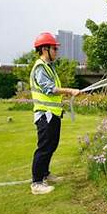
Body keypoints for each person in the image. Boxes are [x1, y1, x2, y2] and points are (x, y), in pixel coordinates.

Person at [29, 32, 80, 195]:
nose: (56, 52)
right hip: (45, 115)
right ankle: (37, 183)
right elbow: (49, 89)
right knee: (44, 147)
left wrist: (66, 93)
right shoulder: (40, 68)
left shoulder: (49, 68)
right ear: (45, 49)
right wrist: (69, 90)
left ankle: (45, 174)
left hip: (53, 114)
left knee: (51, 146)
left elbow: (53, 89)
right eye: (54, 49)